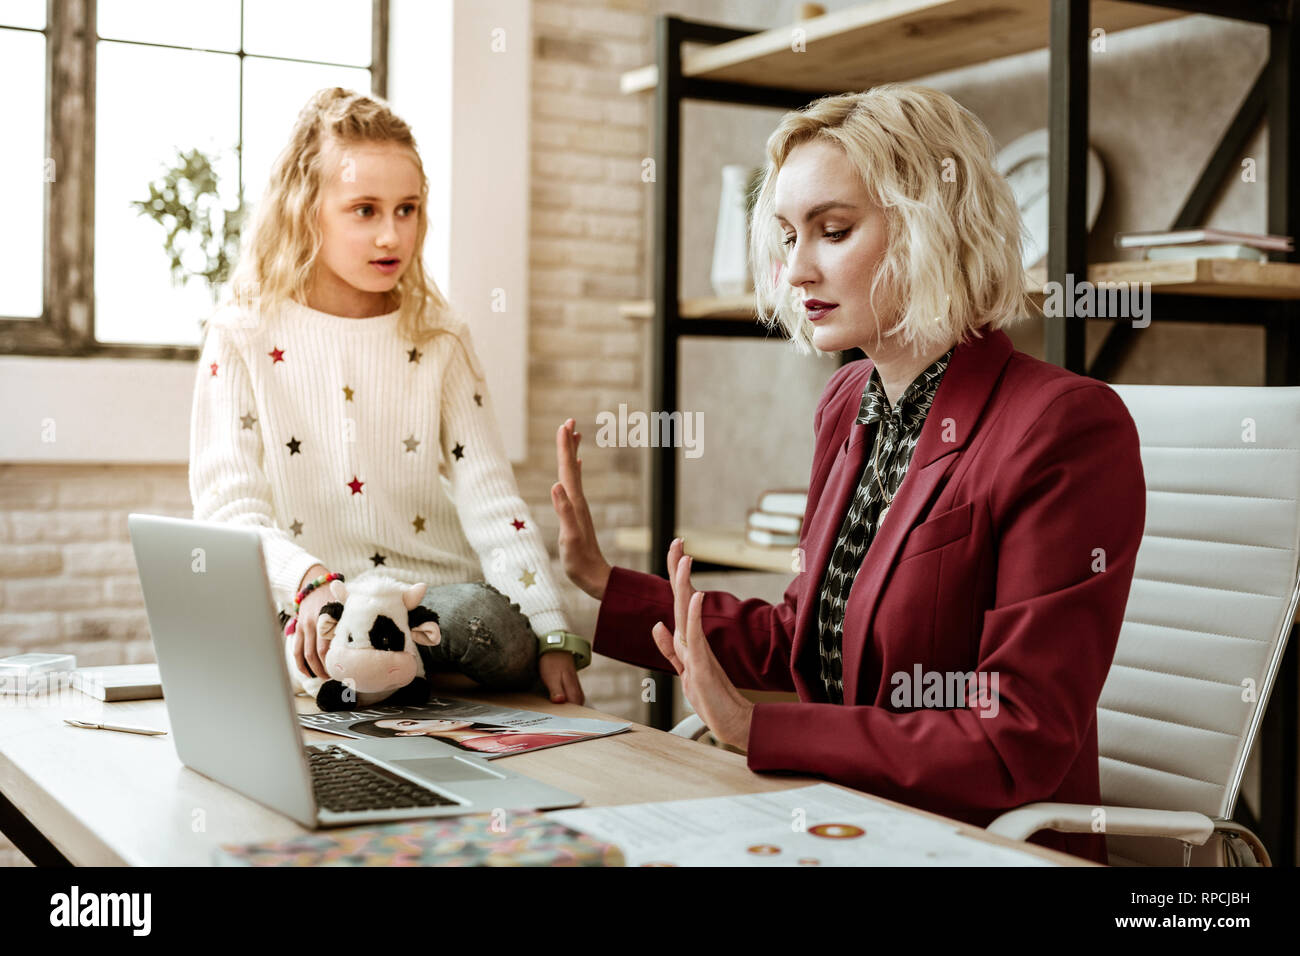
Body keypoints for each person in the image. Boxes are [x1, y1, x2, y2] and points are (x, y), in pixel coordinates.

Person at [551, 84, 1145, 865]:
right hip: (838, 820)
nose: (795, 270)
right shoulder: (849, 401)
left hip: (977, 847)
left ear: (934, 225)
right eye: (787, 236)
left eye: (832, 231)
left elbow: (1015, 736)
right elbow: (805, 638)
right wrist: (603, 584)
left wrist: (758, 729)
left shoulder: (1063, 425)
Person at [190, 87, 589, 704]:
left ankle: (367, 670)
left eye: (407, 209)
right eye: (365, 210)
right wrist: (310, 581)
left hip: (434, 607)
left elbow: (490, 496)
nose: (391, 236)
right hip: (315, 603)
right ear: (306, 210)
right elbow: (228, 510)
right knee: (263, 628)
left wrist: (550, 630)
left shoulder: (441, 338)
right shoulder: (239, 335)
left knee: (498, 629)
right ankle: (365, 666)